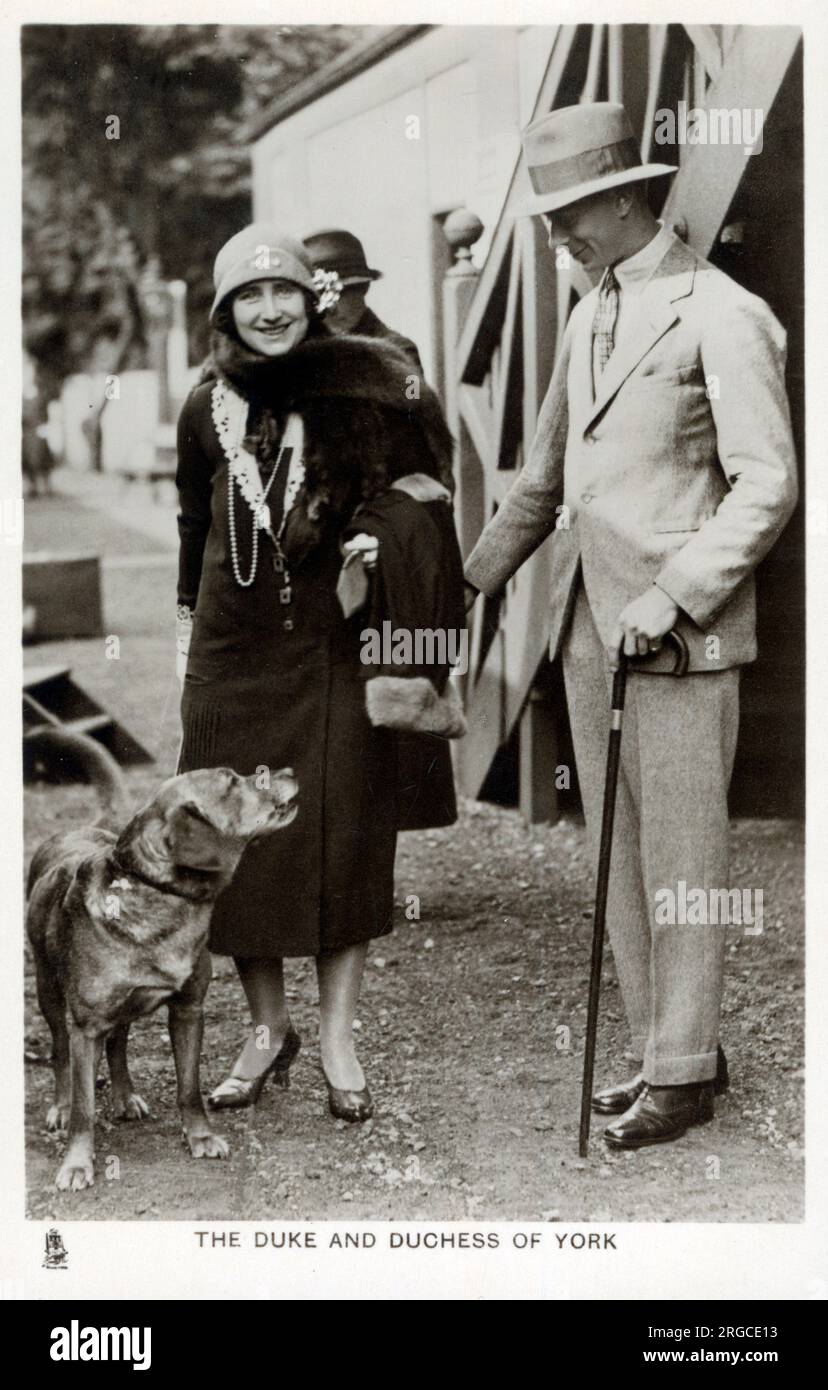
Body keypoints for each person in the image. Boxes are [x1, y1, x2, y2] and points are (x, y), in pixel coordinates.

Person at [464, 103, 798, 1149]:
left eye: (570, 213)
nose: (559, 233)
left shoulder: (722, 314)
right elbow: (543, 476)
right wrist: (457, 582)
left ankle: (686, 1073)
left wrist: (675, 591)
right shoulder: (588, 309)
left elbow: (769, 484)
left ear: (621, 197)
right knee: (621, 855)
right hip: (590, 628)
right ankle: (669, 1049)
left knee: (686, 861)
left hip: (679, 636)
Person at [175, 224, 461, 1123]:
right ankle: (267, 1030)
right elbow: (194, 521)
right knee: (237, 845)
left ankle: (338, 1036)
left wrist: (386, 528)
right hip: (233, 653)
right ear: (226, 311)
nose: (269, 311)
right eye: (248, 298)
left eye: (285, 294)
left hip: (336, 646)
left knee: (344, 837)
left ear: (315, 299)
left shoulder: (368, 390)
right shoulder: (205, 405)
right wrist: (192, 623)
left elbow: (431, 487)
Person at [303, 228, 423, 370]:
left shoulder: (399, 351)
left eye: (340, 294)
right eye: (319, 297)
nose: (330, 307)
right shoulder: (303, 350)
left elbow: (413, 392)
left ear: (363, 287)